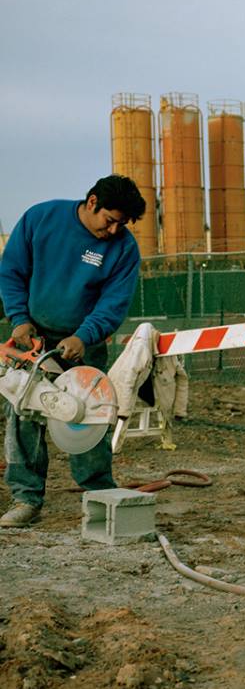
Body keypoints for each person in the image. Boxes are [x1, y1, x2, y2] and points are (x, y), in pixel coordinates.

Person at [0, 175, 145, 527]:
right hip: (32, 339)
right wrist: (19, 319)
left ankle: (99, 492)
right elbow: (11, 272)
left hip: (84, 345)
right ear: (92, 202)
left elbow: (113, 304)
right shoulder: (41, 219)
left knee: (90, 418)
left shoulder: (124, 249)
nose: (113, 231)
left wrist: (84, 336)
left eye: (120, 224)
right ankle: (26, 499)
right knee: (24, 416)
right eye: (109, 220)